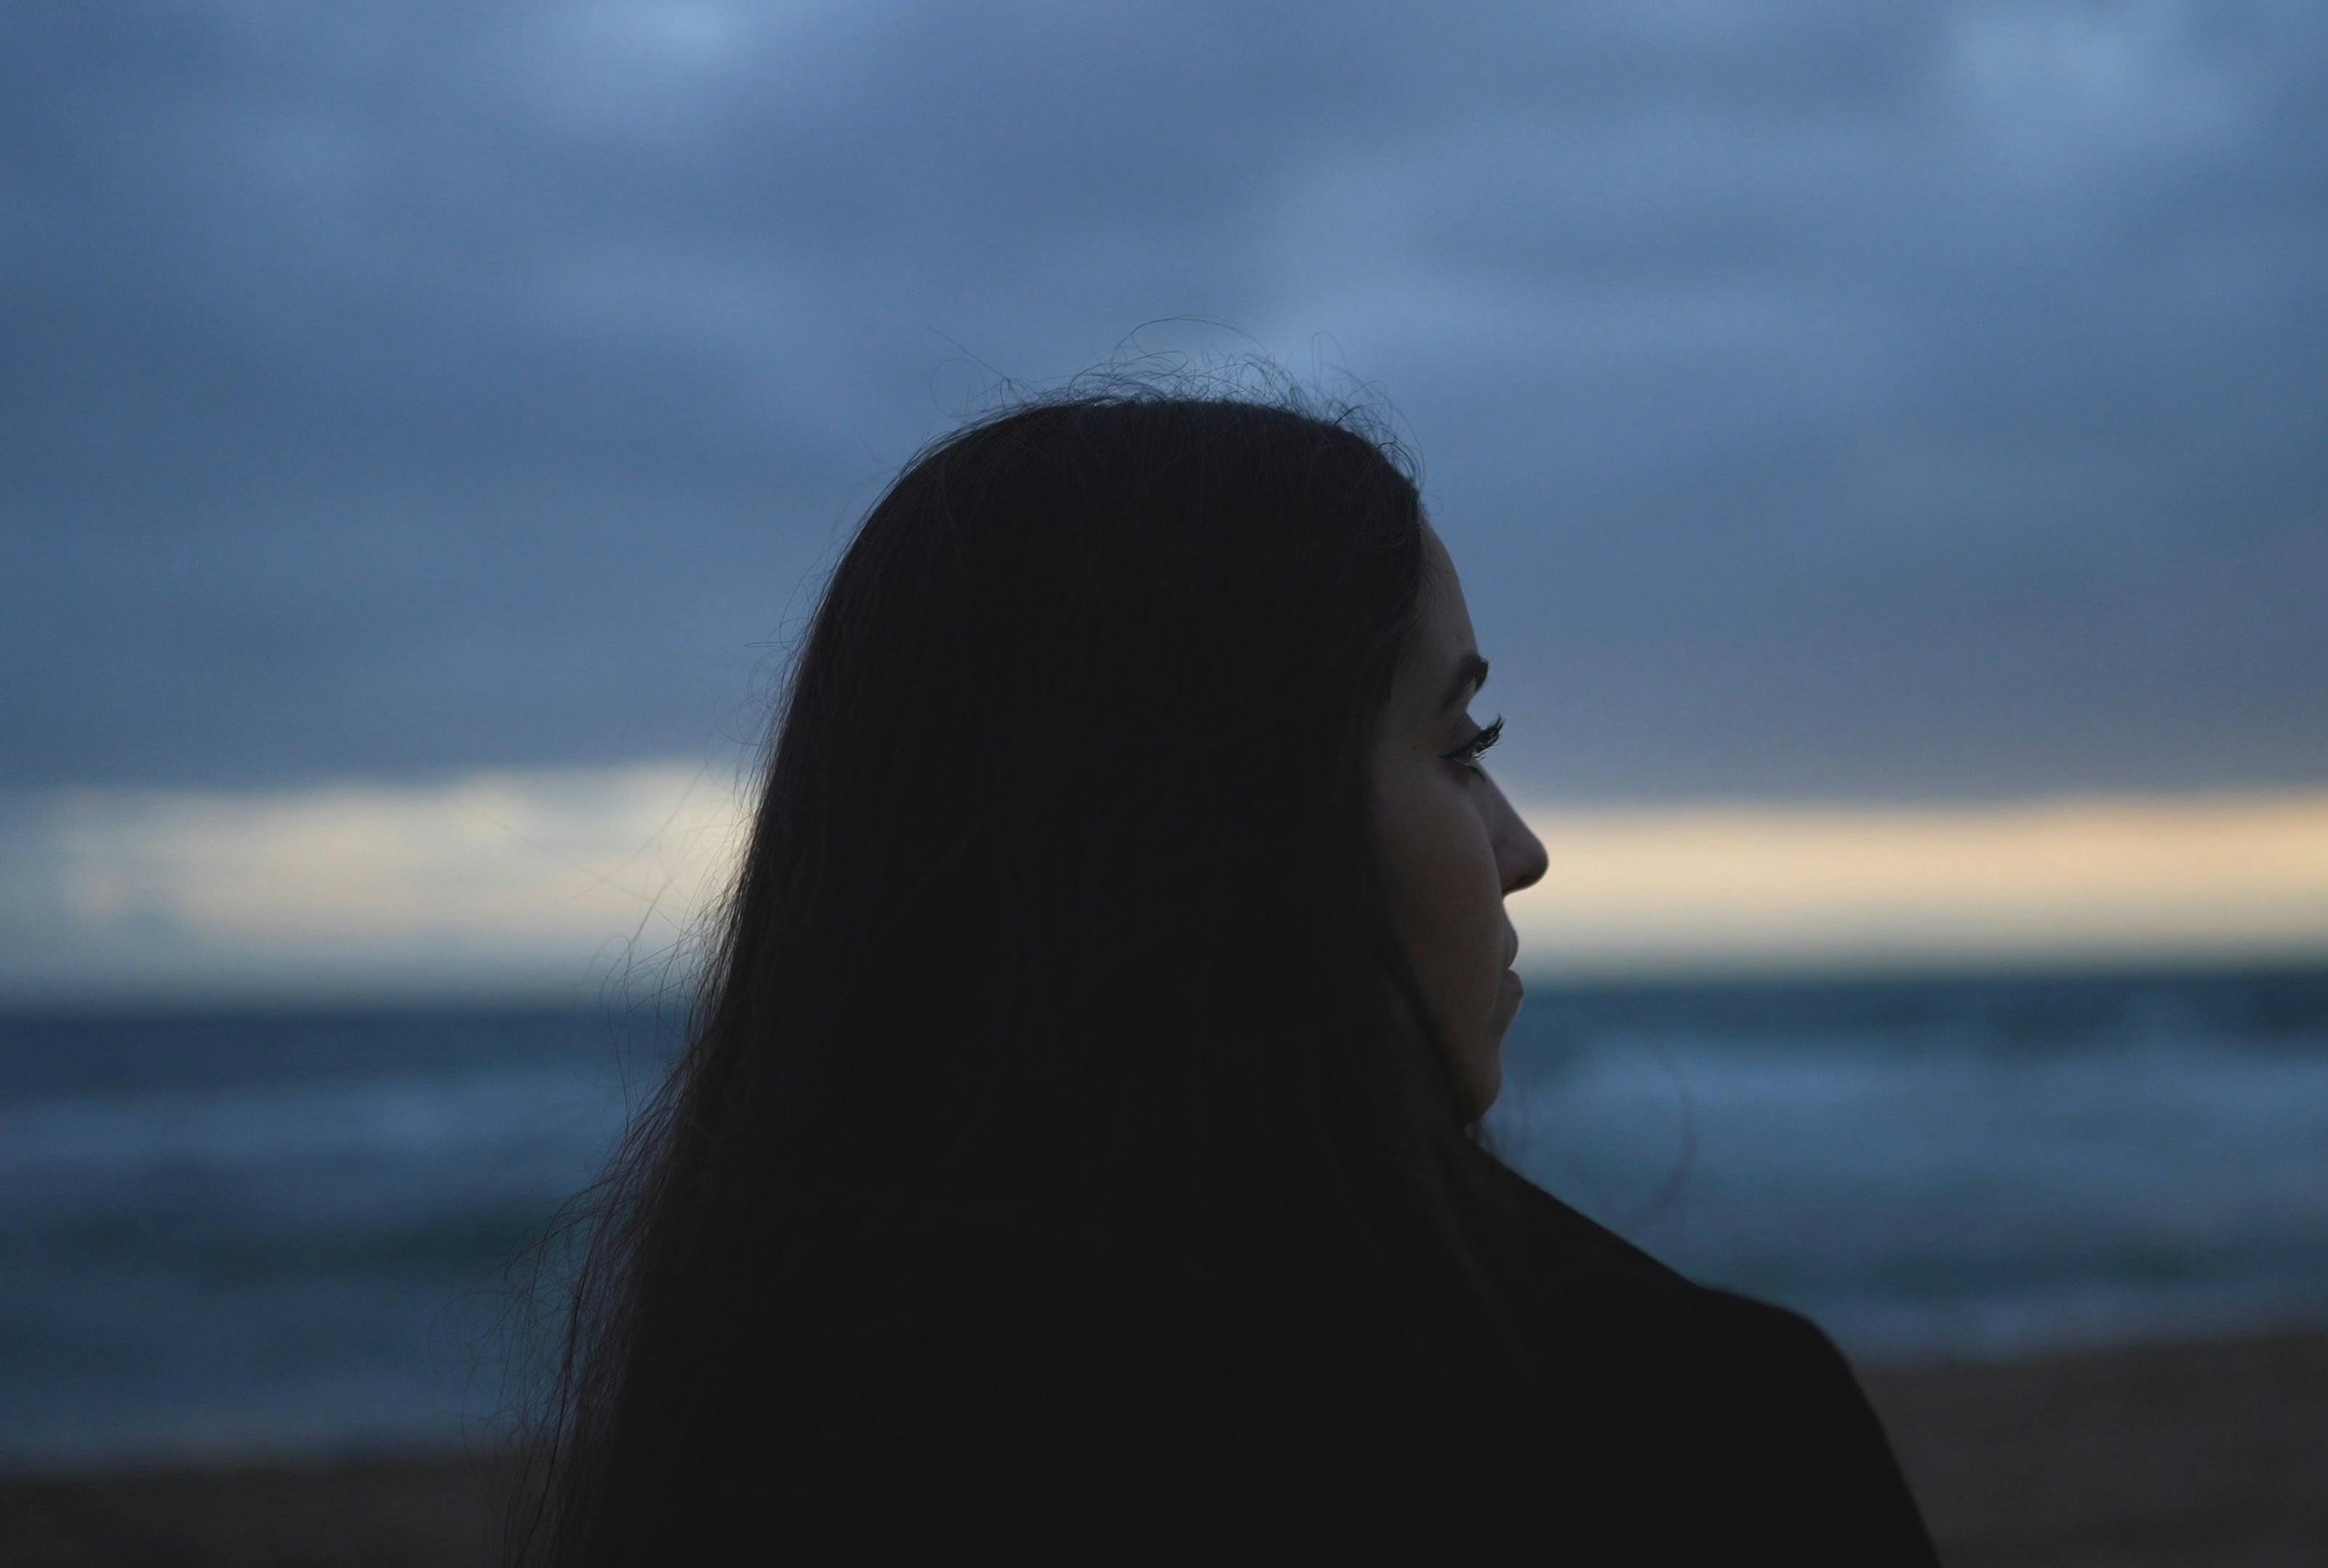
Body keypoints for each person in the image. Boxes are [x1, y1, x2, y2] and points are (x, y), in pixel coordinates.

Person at [507, 385, 1941, 1564]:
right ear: (1225, 821)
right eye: (1461, 751)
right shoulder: (1684, 1439)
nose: (1522, 852)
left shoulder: (747, 1440)